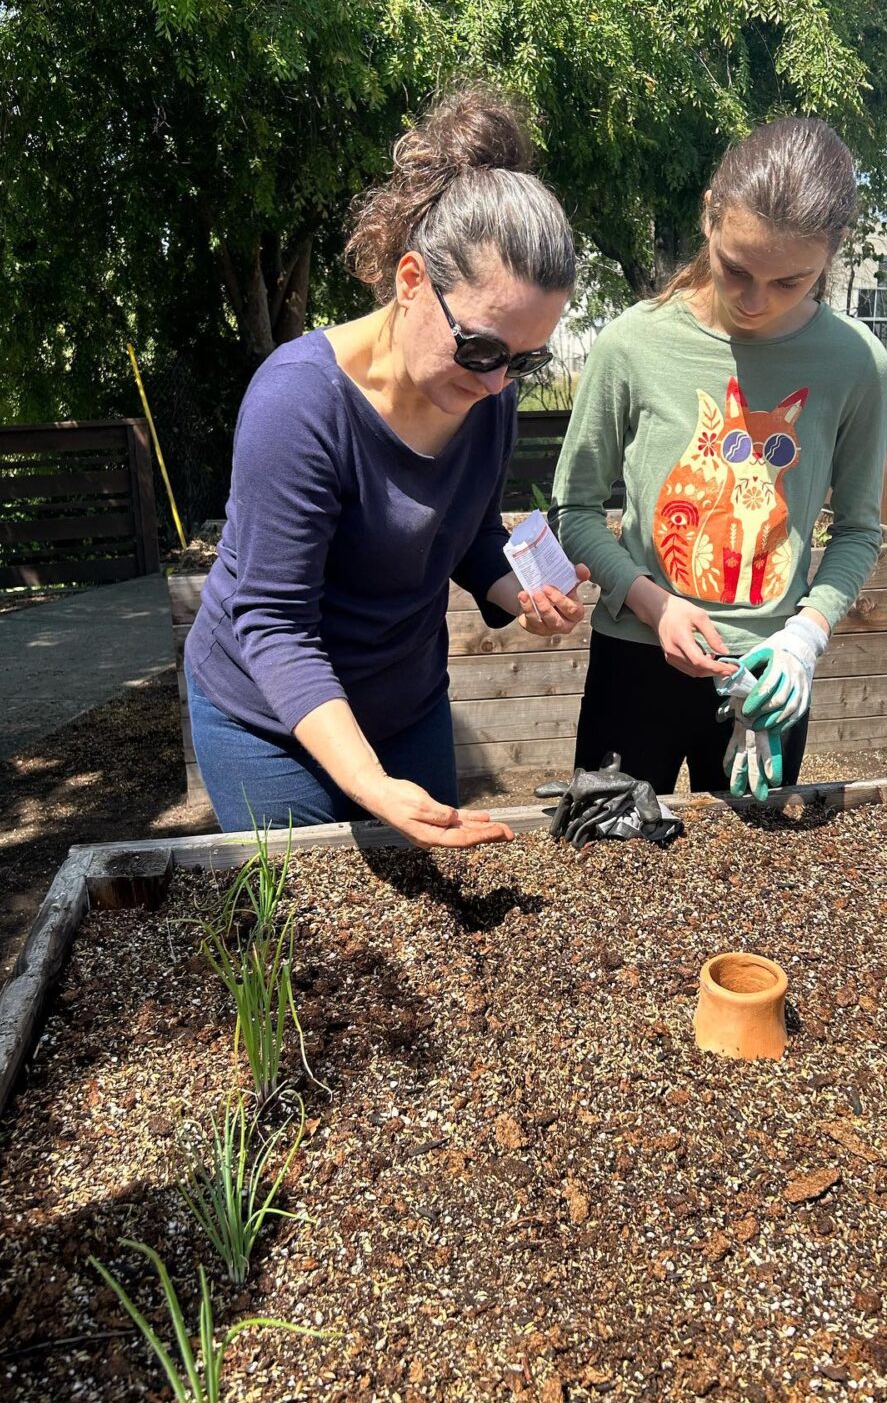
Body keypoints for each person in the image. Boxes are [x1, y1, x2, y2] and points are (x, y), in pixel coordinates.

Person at [185, 87, 588, 844]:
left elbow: (463, 535)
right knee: (306, 945)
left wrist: (522, 594)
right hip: (268, 723)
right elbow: (274, 623)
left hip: (408, 708)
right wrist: (369, 783)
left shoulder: (486, 394)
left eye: (523, 362)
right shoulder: (299, 404)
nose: (498, 383)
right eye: (481, 349)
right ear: (410, 283)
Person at [551, 117, 887, 800]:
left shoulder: (855, 362)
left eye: (790, 282)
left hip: (768, 674)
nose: (753, 300)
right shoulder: (632, 344)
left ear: (834, 251)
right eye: (736, 268)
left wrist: (805, 638)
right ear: (710, 213)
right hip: (636, 660)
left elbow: (859, 531)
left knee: (752, 880)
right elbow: (574, 508)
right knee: (611, 866)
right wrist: (655, 605)